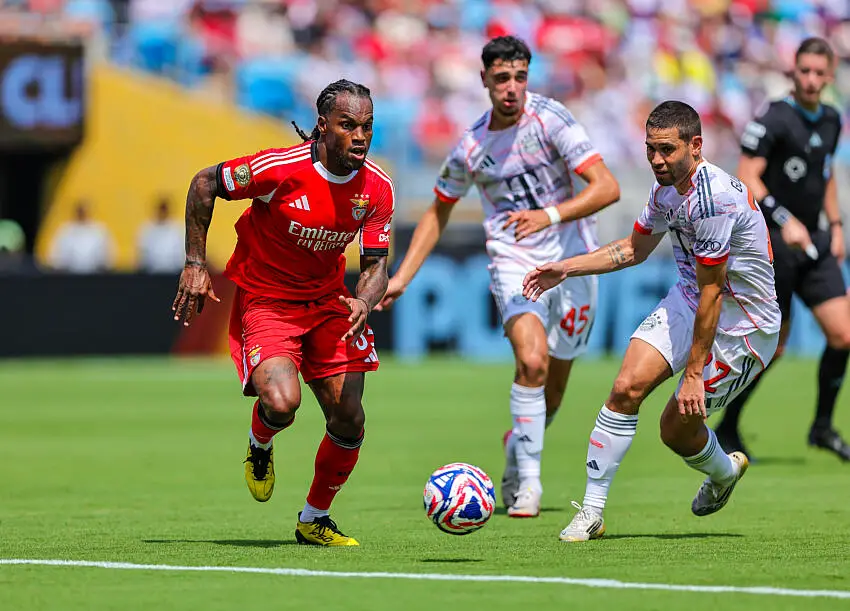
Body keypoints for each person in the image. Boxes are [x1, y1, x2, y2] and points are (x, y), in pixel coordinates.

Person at [376, 36, 620, 518]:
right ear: (484, 79)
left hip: (573, 261)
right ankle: (530, 483)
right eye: (503, 78)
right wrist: (402, 275)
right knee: (531, 363)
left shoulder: (552, 120)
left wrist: (548, 215)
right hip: (514, 261)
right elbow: (438, 211)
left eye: (520, 77)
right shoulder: (471, 146)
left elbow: (607, 187)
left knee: (551, 395)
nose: (512, 88)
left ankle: (517, 447)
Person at [523, 101, 780, 541]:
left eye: (667, 150)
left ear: (695, 146)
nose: (657, 160)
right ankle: (592, 512)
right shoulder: (665, 191)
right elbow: (633, 250)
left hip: (744, 325)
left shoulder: (715, 198)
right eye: (650, 149)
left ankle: (722, 472)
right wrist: (566, 267)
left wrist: (694, 373)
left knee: (675, 430)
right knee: (624, 388)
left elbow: (715, 292)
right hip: (690, 299)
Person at [172, 79, 394, 546]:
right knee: (281, 402)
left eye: (368, 127)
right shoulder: (280, 169)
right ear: (323, 125)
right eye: (348, 125)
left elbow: (376, 267)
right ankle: (260, 444)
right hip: (269, 299)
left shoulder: (376, 188)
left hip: (330, 301)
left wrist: (364, 299)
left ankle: (314, 518)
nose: (360, 136)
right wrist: (195, 262)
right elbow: (204, 183)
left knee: (350, 418)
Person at [713, 37, 850, 461]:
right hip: (772, 246)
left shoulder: (831, 117)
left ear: (829, 76)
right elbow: (746, 175)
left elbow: (824, 172)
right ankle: (729, 424)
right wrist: (785, 219)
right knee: (775, 346)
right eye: (803, 71)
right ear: (793, 71)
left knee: (843, 335)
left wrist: (838, 224)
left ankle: (822, 427)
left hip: (816, 240)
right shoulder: (773, 117)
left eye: (817, 73)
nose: (809, 80)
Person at [48, 200, 114, 273]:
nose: (82, 213)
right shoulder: (65, 231)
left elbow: (108, 257)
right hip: (69, 276)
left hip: (95, 275)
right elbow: (56, 258)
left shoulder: (99, 231)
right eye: (80, 211)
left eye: (84, 211)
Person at [137, 197, 185, 273]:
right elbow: (142, 253)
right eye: (161, 210)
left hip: (174, 273)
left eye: (164, 210)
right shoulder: (147, 229)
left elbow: (182, 254)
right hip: (151, 274)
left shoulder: (177, 229)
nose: (162, 213)